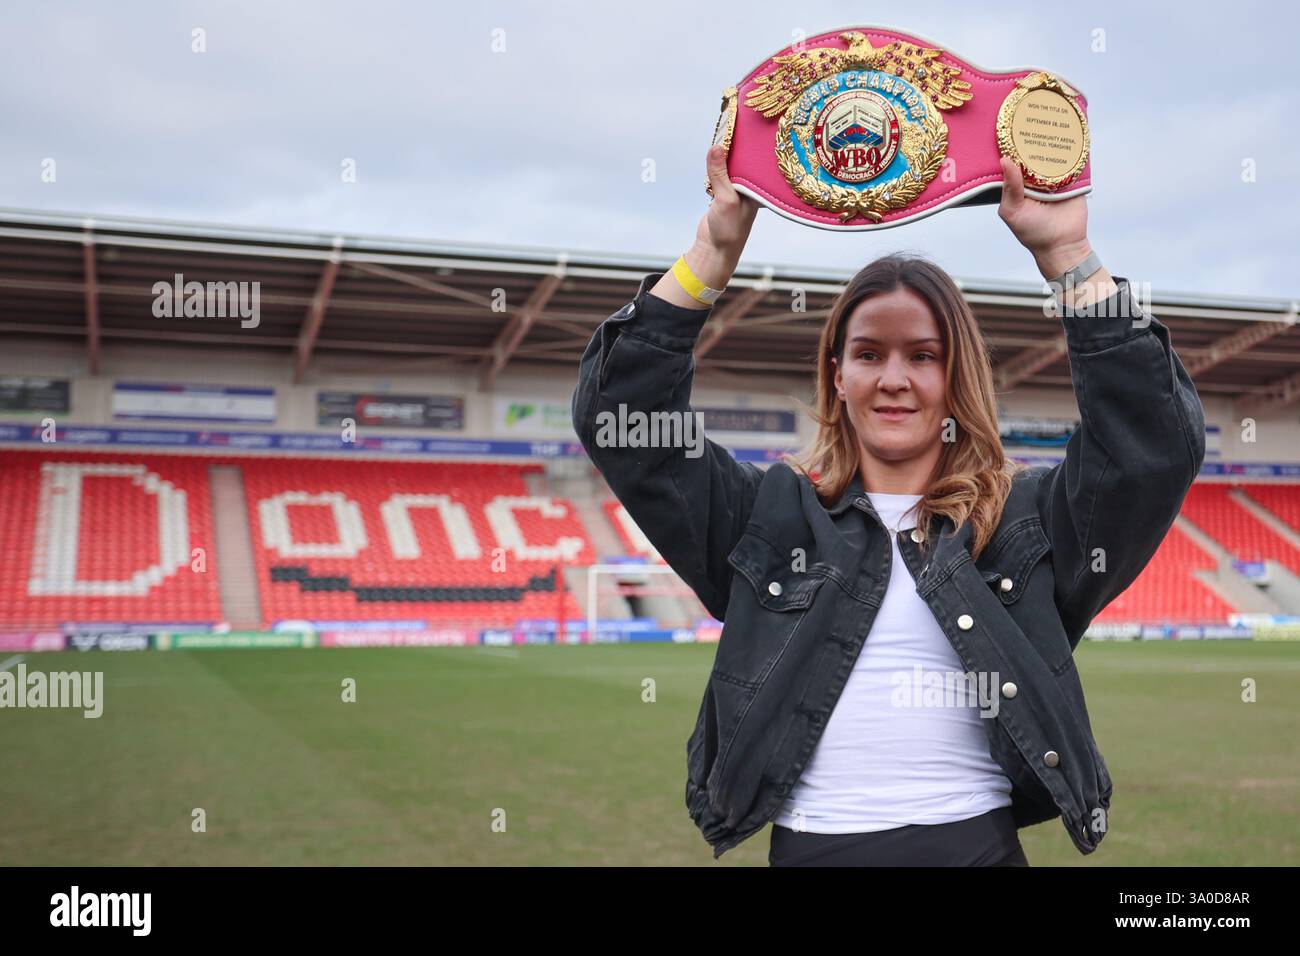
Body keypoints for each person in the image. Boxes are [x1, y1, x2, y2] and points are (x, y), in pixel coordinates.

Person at [571, 144, 1206, 866]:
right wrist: (707, 259)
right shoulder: (769, 516)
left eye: (924, 355)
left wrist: (1070, 256)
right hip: (814, 848)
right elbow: (622, 421)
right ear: (837, 375)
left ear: (953, 374)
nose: (894, 378)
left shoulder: (1022, 523)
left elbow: (1152, 448)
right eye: (869, 354)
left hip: (976, 847)